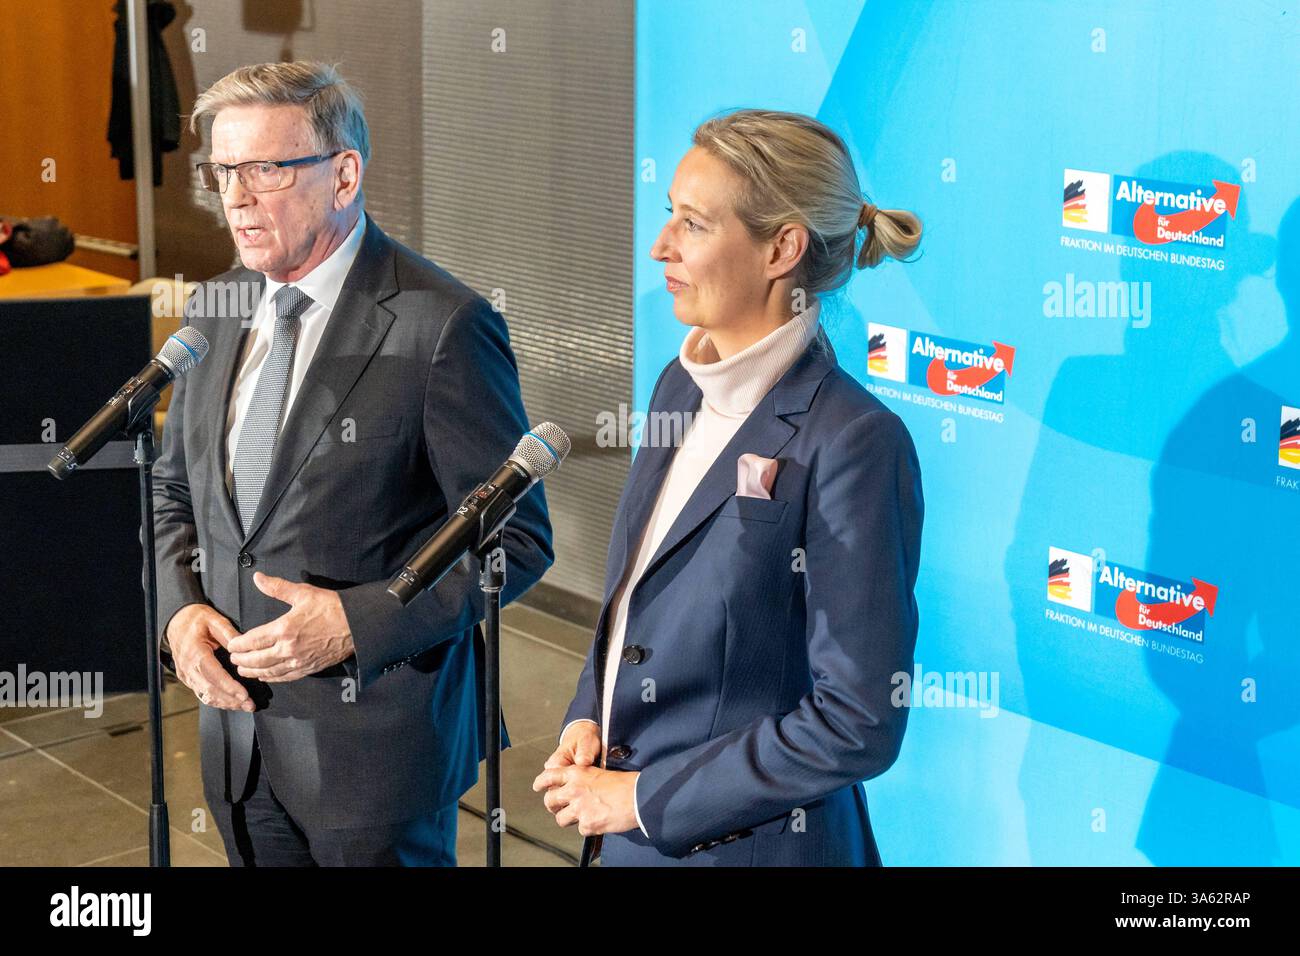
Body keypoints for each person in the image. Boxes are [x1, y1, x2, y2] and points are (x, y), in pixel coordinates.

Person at [152, 61, 553, 866]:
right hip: (239, 744)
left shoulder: (442, 327)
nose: (236, 197)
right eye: (222, 171)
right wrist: (179, 611)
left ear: (343, 175)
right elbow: (172, 491)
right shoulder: (215, 308)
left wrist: (354, 623)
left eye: (265, 169)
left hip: (378, 757)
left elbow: (513, 542)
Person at [534, 109, 924, 866]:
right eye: (668, 217)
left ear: (781, 248)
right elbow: (638, 603)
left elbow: (859, 721)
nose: (662, 247)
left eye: (693, 224)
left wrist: (645, 797)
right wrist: (591, 713)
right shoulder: (678, 384)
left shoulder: (854, 441)